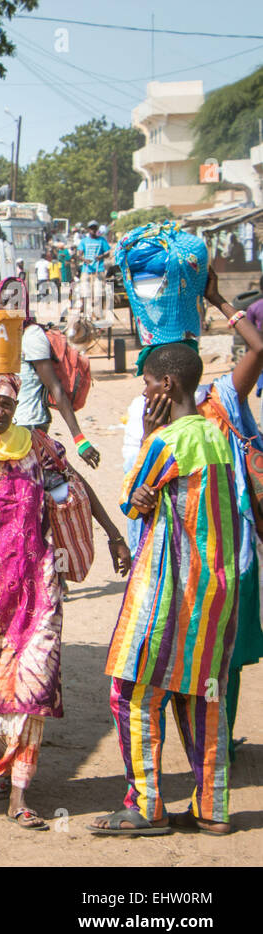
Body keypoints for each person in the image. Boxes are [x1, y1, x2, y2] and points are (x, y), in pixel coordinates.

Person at [0, 308, 130, 830]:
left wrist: (114, 533)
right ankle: (9, 762)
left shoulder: (34, 442)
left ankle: (19, 791)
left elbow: (73, 483)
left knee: (31, 685)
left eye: (6, 403)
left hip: (36, 583)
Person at [91, 344, 239, 836]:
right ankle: (212, 809)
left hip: (170, 593)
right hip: (216, 593)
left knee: (132, 692)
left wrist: (153, 435)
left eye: (149, 384)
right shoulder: (217, 436)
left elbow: (131, 501)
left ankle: (146, 806)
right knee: (203, 696)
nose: (146, 391)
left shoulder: (170, 440)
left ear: (167, 387)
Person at [200, 300, 263, 759]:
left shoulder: (220, 399)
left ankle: (217, 739)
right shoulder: (152, 419)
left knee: (229, 653)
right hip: (193, 558)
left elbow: (258, 351)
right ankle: (209, 738)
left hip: (231, 551)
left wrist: (222, 303)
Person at [15, 313, 101, 468]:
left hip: (29, 423)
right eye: (5, 300)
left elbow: (55, 387)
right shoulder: (0, 334)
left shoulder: (31, 335)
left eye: (17, 300)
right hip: (8, 423)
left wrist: (79, 440)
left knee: (49, 479)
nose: (10, 306)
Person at [79, 220, 111, 320]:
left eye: (94, 228)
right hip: (86, 270)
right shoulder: (84, 241)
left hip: (99, 270)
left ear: (96, 229)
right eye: (91, 228)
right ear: (88, 230)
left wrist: (100, 256)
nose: (93, 230)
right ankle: (88, 315)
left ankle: (98, 314)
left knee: (98, 293)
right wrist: (84, 259)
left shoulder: (102, 240)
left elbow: (108, 253)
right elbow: (79, 254)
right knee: (86, 293)